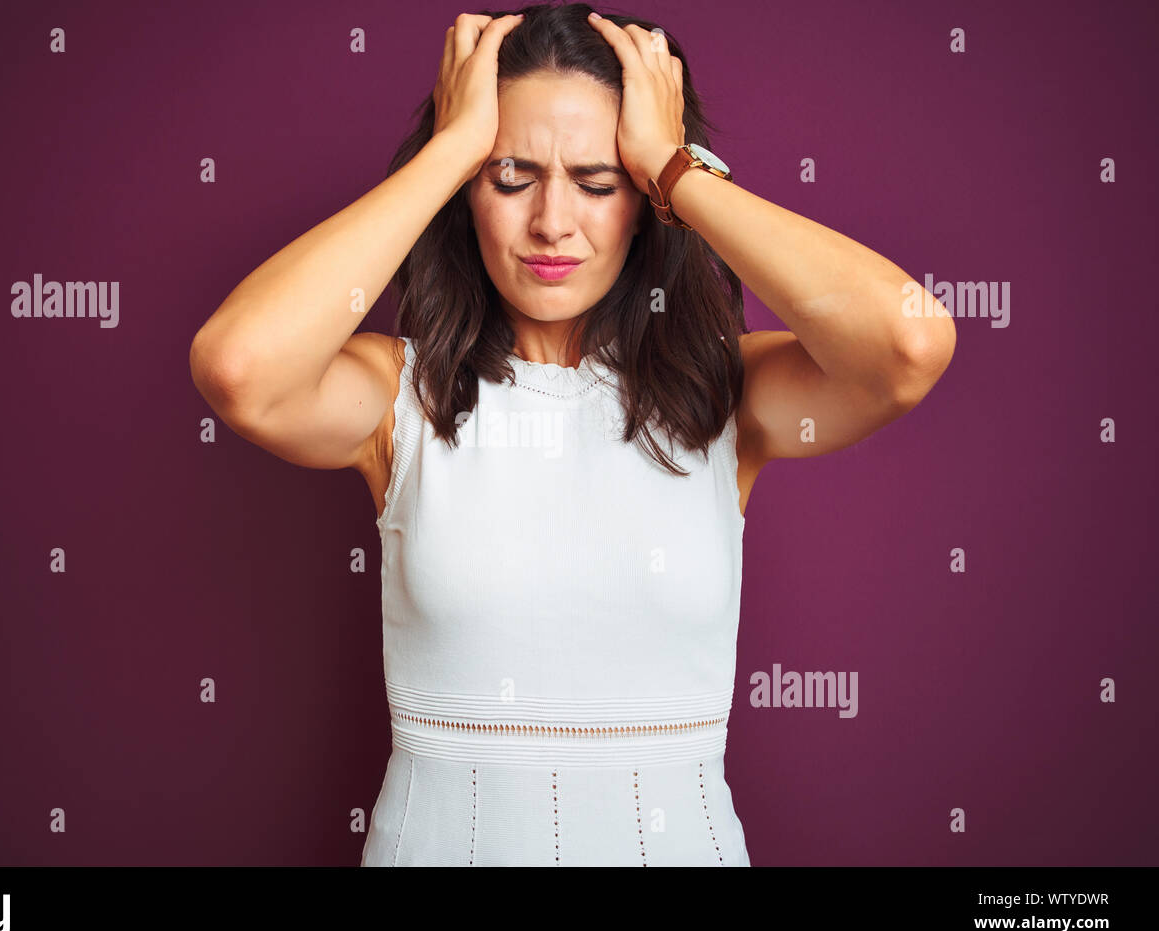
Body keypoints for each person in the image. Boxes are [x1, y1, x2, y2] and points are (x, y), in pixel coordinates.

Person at [189, 4, 955, 865]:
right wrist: (449, 147)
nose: (554, 223)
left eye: (598, 182)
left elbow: (909, 342)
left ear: (644, 204)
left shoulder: (723, 398)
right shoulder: (400, 397)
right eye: (511, 176)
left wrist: (679, 172)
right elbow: (240, 366)